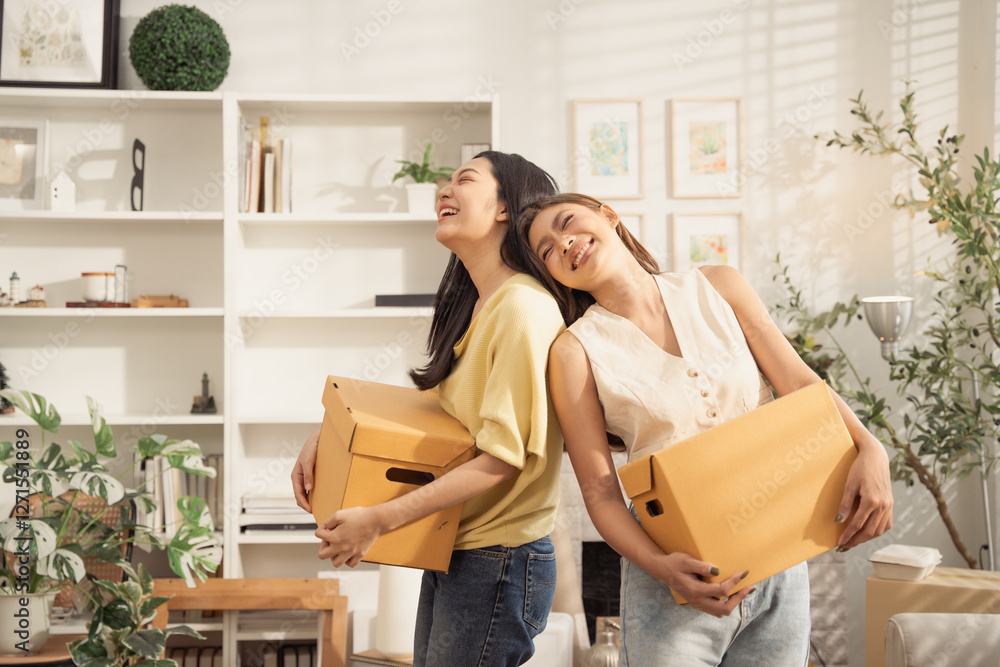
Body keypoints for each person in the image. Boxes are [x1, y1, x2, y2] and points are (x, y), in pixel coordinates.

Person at [515, 193, 894, 666]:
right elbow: (600, 493)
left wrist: (869, 446)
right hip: (673, 577)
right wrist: (664, 570)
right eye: (547, 250)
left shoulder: (719, 286)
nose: (565, 242)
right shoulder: (573, 352)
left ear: (608, 215)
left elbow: (799, 383)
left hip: (781, 561)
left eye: (567, 223)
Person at [291, 151, 566, 667]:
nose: (444, 189)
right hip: (461, 551)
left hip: (499, 561)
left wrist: (378, 520)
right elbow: (437, 418)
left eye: (463, 179)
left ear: (506, 207)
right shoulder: (481, 306)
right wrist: (328, 436)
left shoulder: (522, 308)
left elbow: (502, 460)